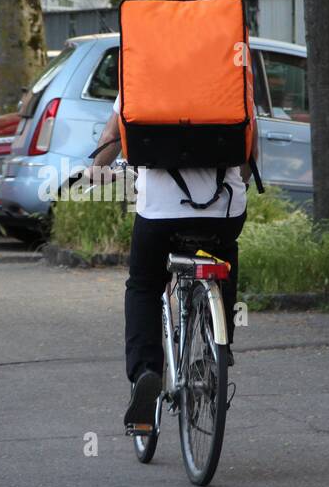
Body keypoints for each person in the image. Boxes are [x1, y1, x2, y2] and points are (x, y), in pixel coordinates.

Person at [89, 96, 252, 434]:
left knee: (144, 285)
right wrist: (242, 181)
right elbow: (250, 140)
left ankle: (145, 372)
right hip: (224, 208)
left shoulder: (143, 71)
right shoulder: (234, 69)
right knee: (223, 254)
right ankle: (220, 348)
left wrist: (98, 170)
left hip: (160, 212)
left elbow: (111, 137)